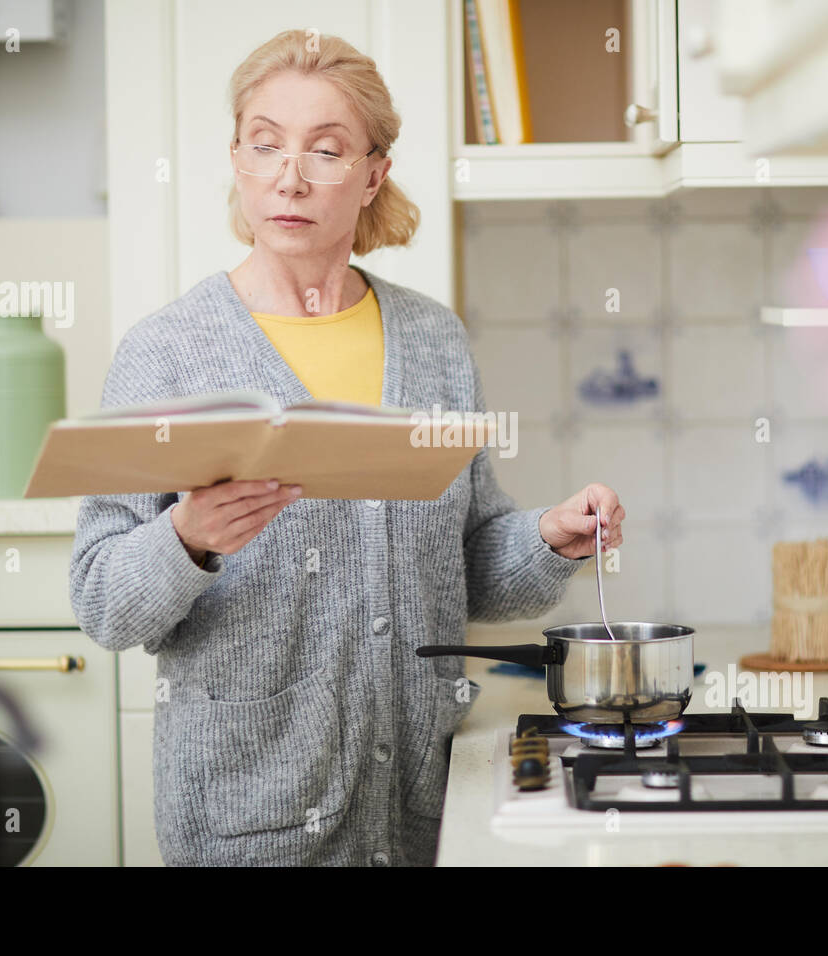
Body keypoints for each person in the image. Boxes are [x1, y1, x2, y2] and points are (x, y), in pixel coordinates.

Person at [69, 28, 625, 867]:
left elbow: (467, 561)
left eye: (325, 151)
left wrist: (548, 537)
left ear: (373, 173)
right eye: (266, 145)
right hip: (248, 816)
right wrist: (188, 540)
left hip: (415, 806)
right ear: (237, 159)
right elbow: (103, 601)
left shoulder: (433, 340)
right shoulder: (168, 352)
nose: (289, 176)